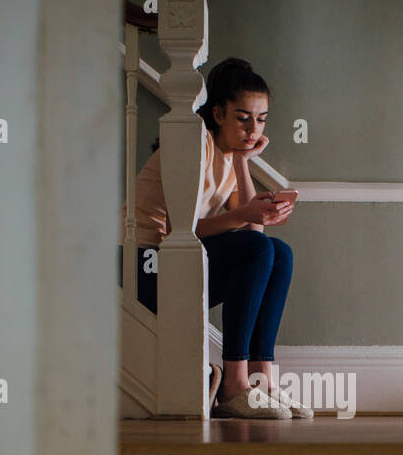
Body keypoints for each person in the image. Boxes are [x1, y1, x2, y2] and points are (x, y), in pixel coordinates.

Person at [119, 57, 312, 419]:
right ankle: (234, 385)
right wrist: (244, 214)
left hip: (171, 261)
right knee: (258, 249)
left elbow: (255, 232)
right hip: (139, 264)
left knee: (279, 252)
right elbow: (178, 231)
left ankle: (261, 381)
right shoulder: (195, 145)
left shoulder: (226, 156)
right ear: (219, 113)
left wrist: (243, 161)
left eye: (261, 119)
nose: (253, 129)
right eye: (243, 118)